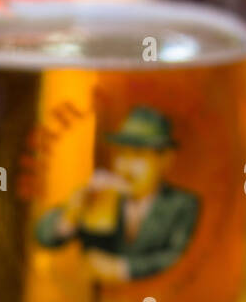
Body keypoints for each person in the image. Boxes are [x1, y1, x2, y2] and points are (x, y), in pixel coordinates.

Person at [35, 106, 200, 281]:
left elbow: (176, 258)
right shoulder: (104, 196)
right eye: (121, 154)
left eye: (138, 155)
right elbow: (43, 235)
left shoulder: (182, 204)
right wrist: (69, 216)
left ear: (165, 160)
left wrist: (121, 268)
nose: (126, 167)